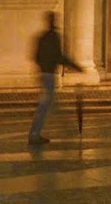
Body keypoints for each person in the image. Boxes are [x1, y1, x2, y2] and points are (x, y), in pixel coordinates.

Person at [28, 11, 82, 145]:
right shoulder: (54, 37)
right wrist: (75, 66)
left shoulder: (41, 37)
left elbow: (36, 56)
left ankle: (61, 129)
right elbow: (58, 56)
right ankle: (35, 134)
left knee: (48, 104)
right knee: (46, 105)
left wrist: (42, 68)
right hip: (49, 75)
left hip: (44, 74)